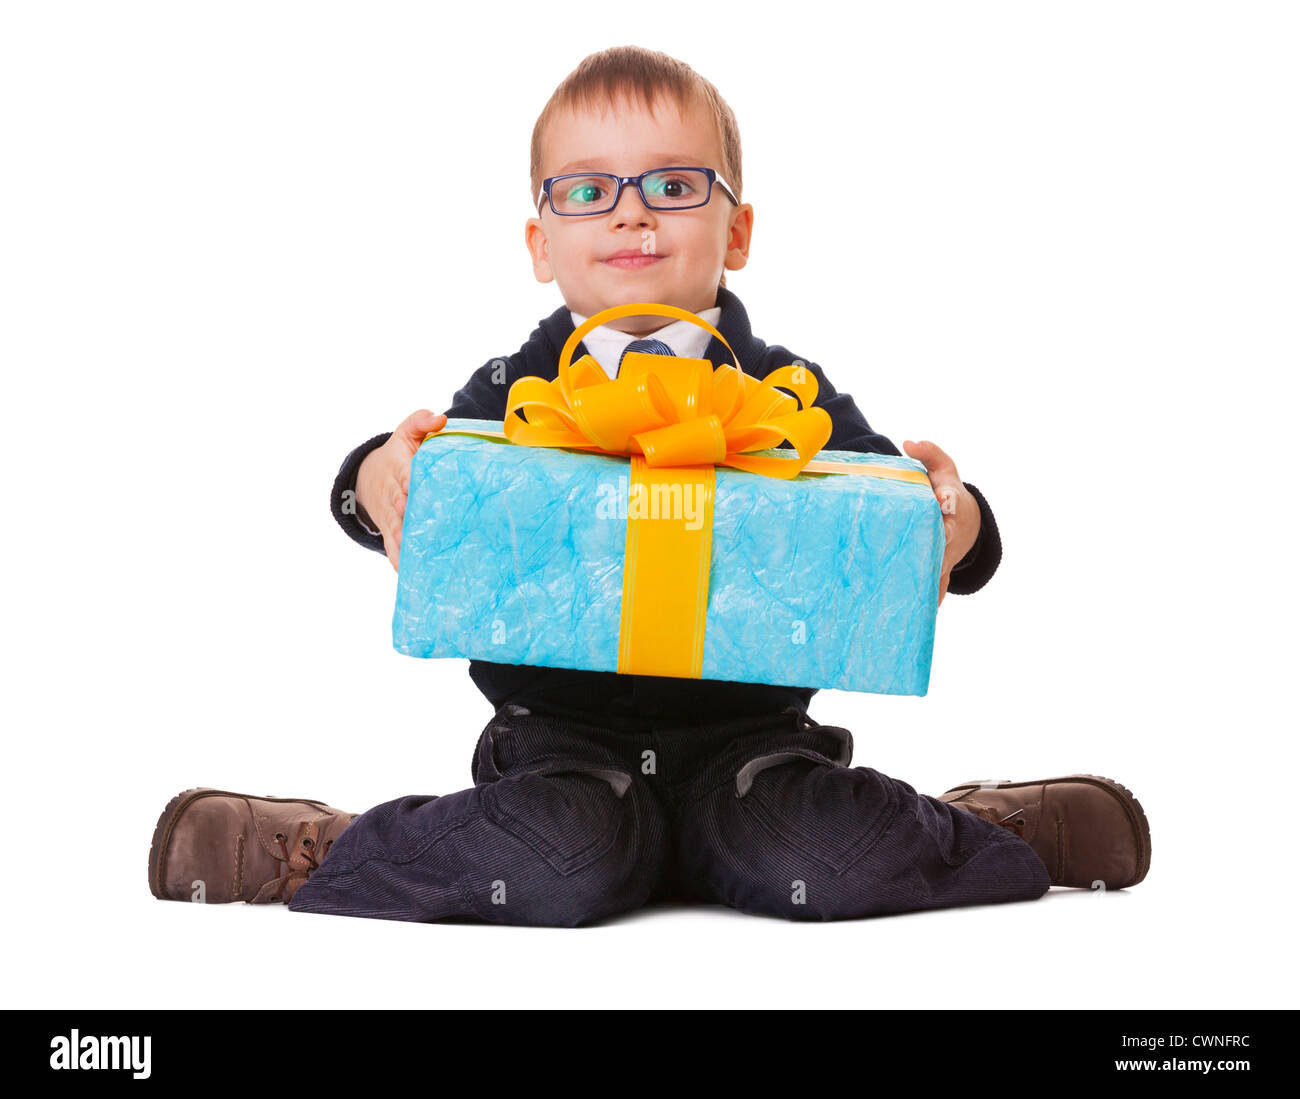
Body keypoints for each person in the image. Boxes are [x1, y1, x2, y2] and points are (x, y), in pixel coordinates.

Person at [148, 46, 1150, 924]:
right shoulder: (509, 394)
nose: (630, 211)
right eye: (587, 191)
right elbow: (396, 493)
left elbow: (899, 521)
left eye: (673, 184)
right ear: (542, 244)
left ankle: (979, 831)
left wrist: (958, 522)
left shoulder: (787, 394)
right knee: (558, 865)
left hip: (754, 755)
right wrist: (374, 477)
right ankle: (333, 848)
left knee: (818, 858)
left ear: (738, 231)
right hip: (559, 755)